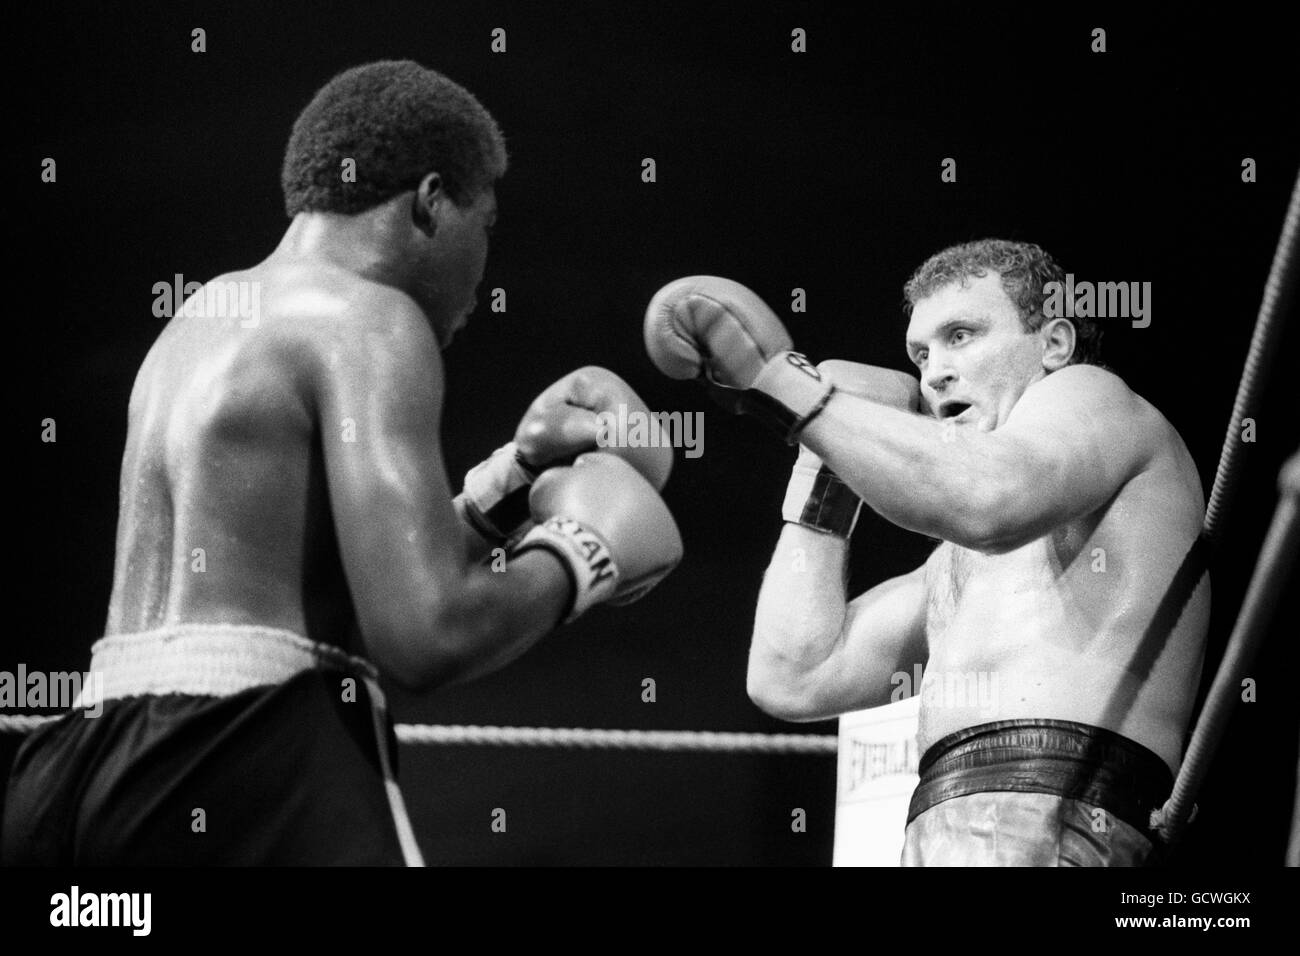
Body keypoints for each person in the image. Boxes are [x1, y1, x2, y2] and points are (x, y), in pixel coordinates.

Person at [3, 60, 681, 866]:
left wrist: (510, 483)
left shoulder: (204, 316)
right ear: (432, 200)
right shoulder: (373, 320)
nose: (485, 263)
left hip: (76, 773)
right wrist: (581, 552)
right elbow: (427, 637)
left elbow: (333, 590)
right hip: (241, 757)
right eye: (487, 223)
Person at [644, 241, 1209, 865]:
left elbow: (989, 496)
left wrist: (789, 389)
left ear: (1054, 344)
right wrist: (824, 472)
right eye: (921, 352)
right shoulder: (956, 563)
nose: (933, 372)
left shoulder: (1097, 397)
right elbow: (793, 675)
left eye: (961, 335)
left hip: (1056, 809)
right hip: (944, 820)